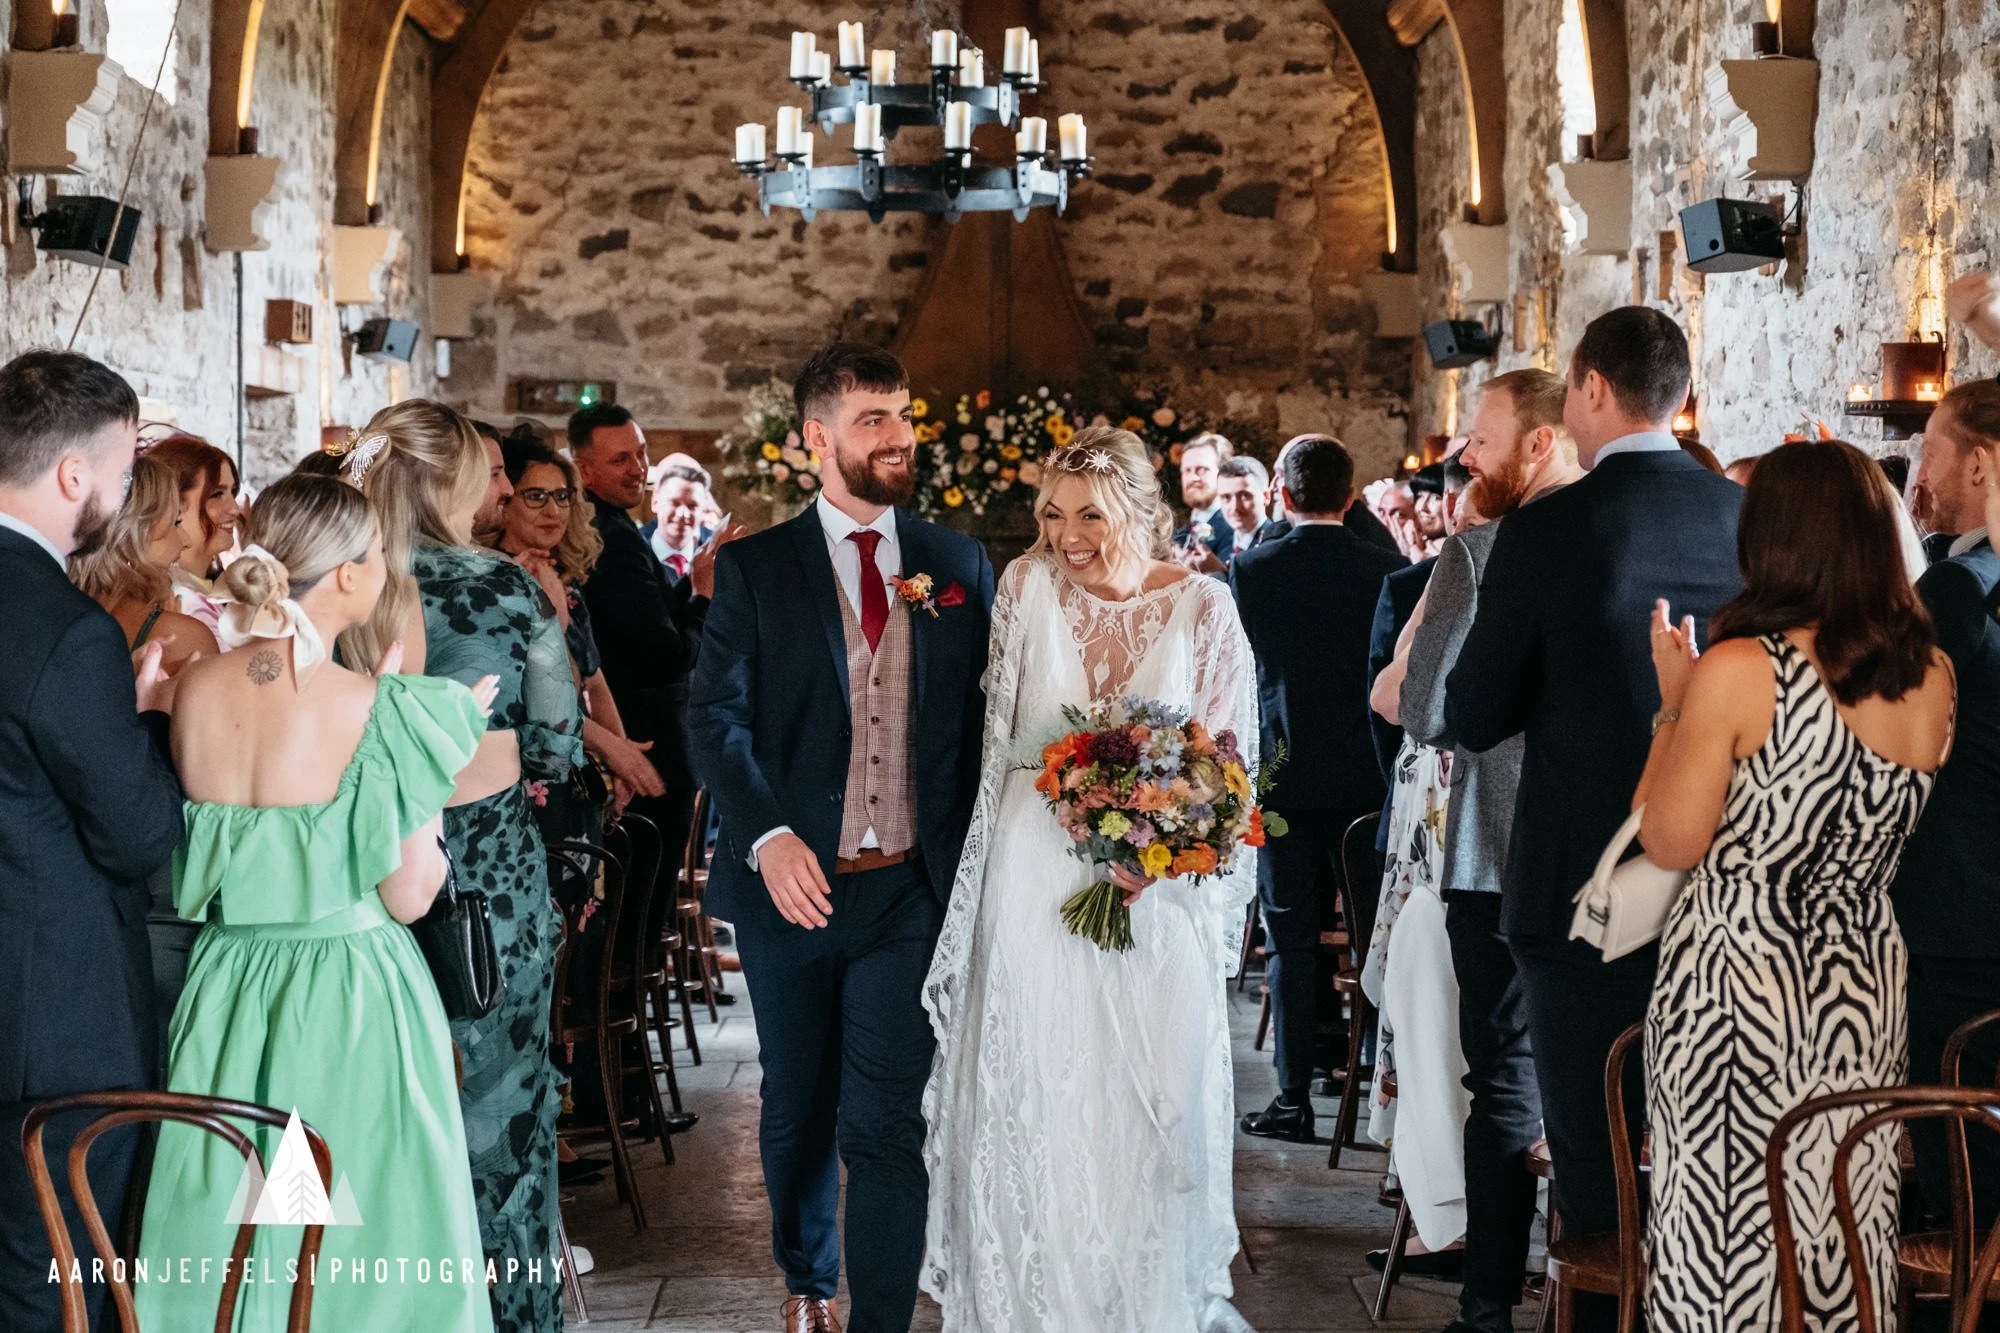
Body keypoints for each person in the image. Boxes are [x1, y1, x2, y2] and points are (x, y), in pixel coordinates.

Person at [135, 474, 497, 1332]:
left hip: (228, 986)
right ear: (346, 574)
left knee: (229, 1220)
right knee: (366, 1239)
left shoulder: (196, 688)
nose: (387, 570)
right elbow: (411, 893)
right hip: (351, 991)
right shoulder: (380, 708)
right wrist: (422, 764)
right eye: (377, 554)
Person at [1445, 306, 1744, 1333]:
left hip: (1582, 885)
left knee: (1594, 1153)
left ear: (1590, 388)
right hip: (1719, 880)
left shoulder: (1547, 529)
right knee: (1705, 1146)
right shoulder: (1742, 515)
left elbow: (1475, 712)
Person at [922, 425, 1255, 1333]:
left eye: (1090, 516)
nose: (1067, 535)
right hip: (1031, 878)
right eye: (1053, 515)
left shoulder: (1204, 607)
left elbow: (1227, 769)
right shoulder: (1024, 587)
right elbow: (998, 746)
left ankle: (1136, 1306)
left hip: (1154, 898)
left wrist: (1163, 848)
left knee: (1145, 1108)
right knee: (1041, 1098)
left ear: (1139, 511)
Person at [688, 343, 993, 1333]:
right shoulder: (755, 569)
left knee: (887, 1120)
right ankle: (808, 1279)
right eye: (873, 418)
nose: (898, 435)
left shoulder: (956, 561)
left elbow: (985, 723)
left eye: (903, 415)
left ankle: (880, 1321)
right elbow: (714, 720)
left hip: (908, 888)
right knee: (797, 1107)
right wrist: (768, 834)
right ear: (815, 437)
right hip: (792, 890)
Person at [1638, 438, 1955, 1328]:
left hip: (1739, 985)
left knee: (1727, 1231)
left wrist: (1674, 699)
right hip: (1862, 981)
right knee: (1841, 1215)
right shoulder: (1932, 675)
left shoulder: (1744, 669)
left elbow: (1668, 838)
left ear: (1771, 539)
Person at [347, 398, 582, 1332]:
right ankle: (514, 1315)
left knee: (384, 1116)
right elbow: (557, 742)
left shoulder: (340, 581)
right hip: (487, 879)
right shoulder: (503, 587)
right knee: (503, 1113)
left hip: (363, 878)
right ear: (451, 482)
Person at [0, 350, 183, 1333]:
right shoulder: (66, 630)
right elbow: (136, 834)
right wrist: (147, 726)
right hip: (46, 1023)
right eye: (122, 469)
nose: (123, 491)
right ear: (74, 474)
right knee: (53, 1280)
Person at [1397, 368, 1581, 1332]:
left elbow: (1428, 708)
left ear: (1540, 442)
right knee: (1599, 1080)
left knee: (1503, 1080)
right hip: (1623, 859)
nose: (1465, 452)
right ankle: (1599, 1284)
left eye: (1483, 435)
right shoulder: (1627, 537)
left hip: (1495, 851)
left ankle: (1488, 1304)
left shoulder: (1478, 551)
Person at [1230, 435, 1405, 1141]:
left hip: (1285, 774)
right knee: (1372, 939)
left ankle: (1293, 1097)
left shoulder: (1253, 569)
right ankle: (1378, 1092)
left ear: (1281, 492)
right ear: (1352, 495)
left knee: (1291, 941)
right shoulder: (1388, 568)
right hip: (1366, 779)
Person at [1894, 381, 2000, 1223]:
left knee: (1962, 1184)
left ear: (1980, 463)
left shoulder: (1958, 591)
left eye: (1929, 448)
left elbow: (1887, 732)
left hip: (1960, 928)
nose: (1918, 472)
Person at [573, 403, 740, 886]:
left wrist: (693, 583)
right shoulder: (614, 538)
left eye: (641, 454)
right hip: (646, 740)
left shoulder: (614, 526)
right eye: (620, 459)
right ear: (585, 470)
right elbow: (664, 657)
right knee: (642, 896)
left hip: (641, 737)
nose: (638, 469)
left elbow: (655, 618)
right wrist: (704, 594)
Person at [68, 451, 219, 670]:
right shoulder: (182, 637)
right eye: (176, 522)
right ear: (134, 535)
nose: (185, 541)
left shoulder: (50, 614)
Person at [145, 434, 242, 634]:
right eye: (217, 494)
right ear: (171, 503)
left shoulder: (217, 586)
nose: (234, 509)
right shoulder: (172, 598)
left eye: (233, 492)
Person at [1172, 431, 1233, 565]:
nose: (1193, 478)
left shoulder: (1235, 529)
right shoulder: (1177, 536)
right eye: (1187, 470)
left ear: (1224, 474)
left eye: (1202, 470)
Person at [644, 456, 712, 574]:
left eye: (692, 506)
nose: (683, 514)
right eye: (674, 503)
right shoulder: (632, 553)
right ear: (655, 502)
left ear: (703, 509)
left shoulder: (716, 560)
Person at [1213, 455, 1269, 558]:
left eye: (1245, 496)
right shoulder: (1221, 549)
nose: (1235, 507)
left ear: (1266, 497)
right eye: (1226, 497)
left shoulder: (1277, 544)